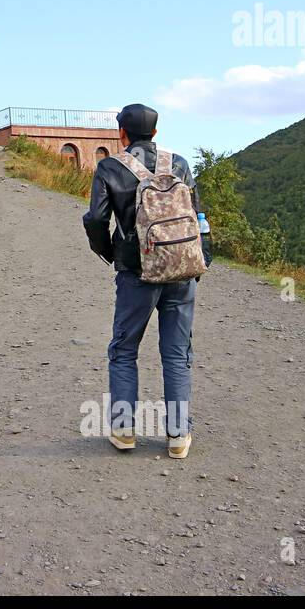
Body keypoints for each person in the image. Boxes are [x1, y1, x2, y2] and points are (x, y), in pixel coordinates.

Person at [81, 103, 211, 459]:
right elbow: (199, 216)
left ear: (122, 133)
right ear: (155, 132)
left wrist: (110, 252)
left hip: (136, 272)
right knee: (176, 351)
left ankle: (124, 432)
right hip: (182, 269)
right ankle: (178, 436)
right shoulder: (179, 164)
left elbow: (96, 218)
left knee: (124, 349)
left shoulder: (111, 166)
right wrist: (203, 257)